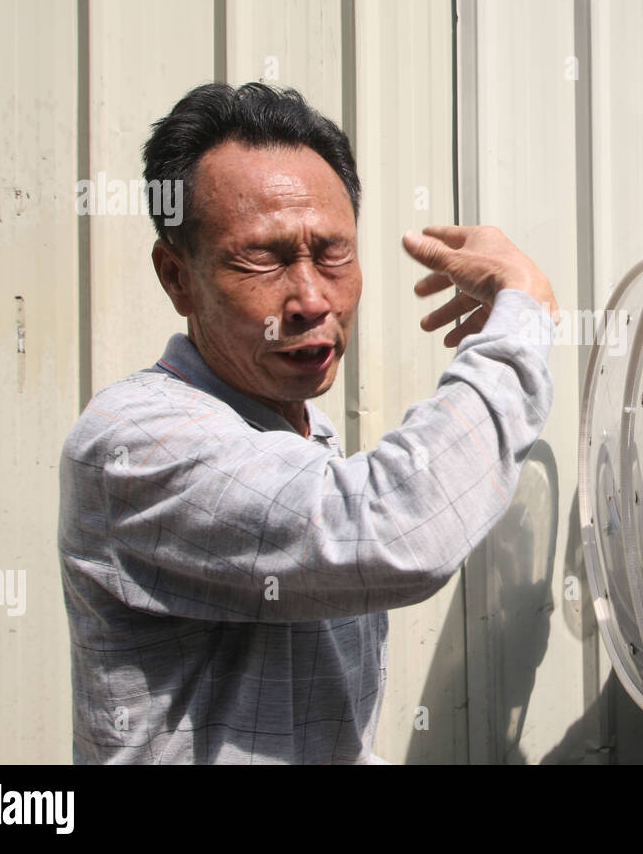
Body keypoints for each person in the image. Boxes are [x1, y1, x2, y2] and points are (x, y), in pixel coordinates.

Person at [58, 82, 559, 763]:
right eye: (262, 257)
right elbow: (393, 529)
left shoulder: (304, 440)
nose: (309, 299)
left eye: (332, 253)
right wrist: (520, 318)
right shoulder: (134, 443)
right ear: (176, 277)